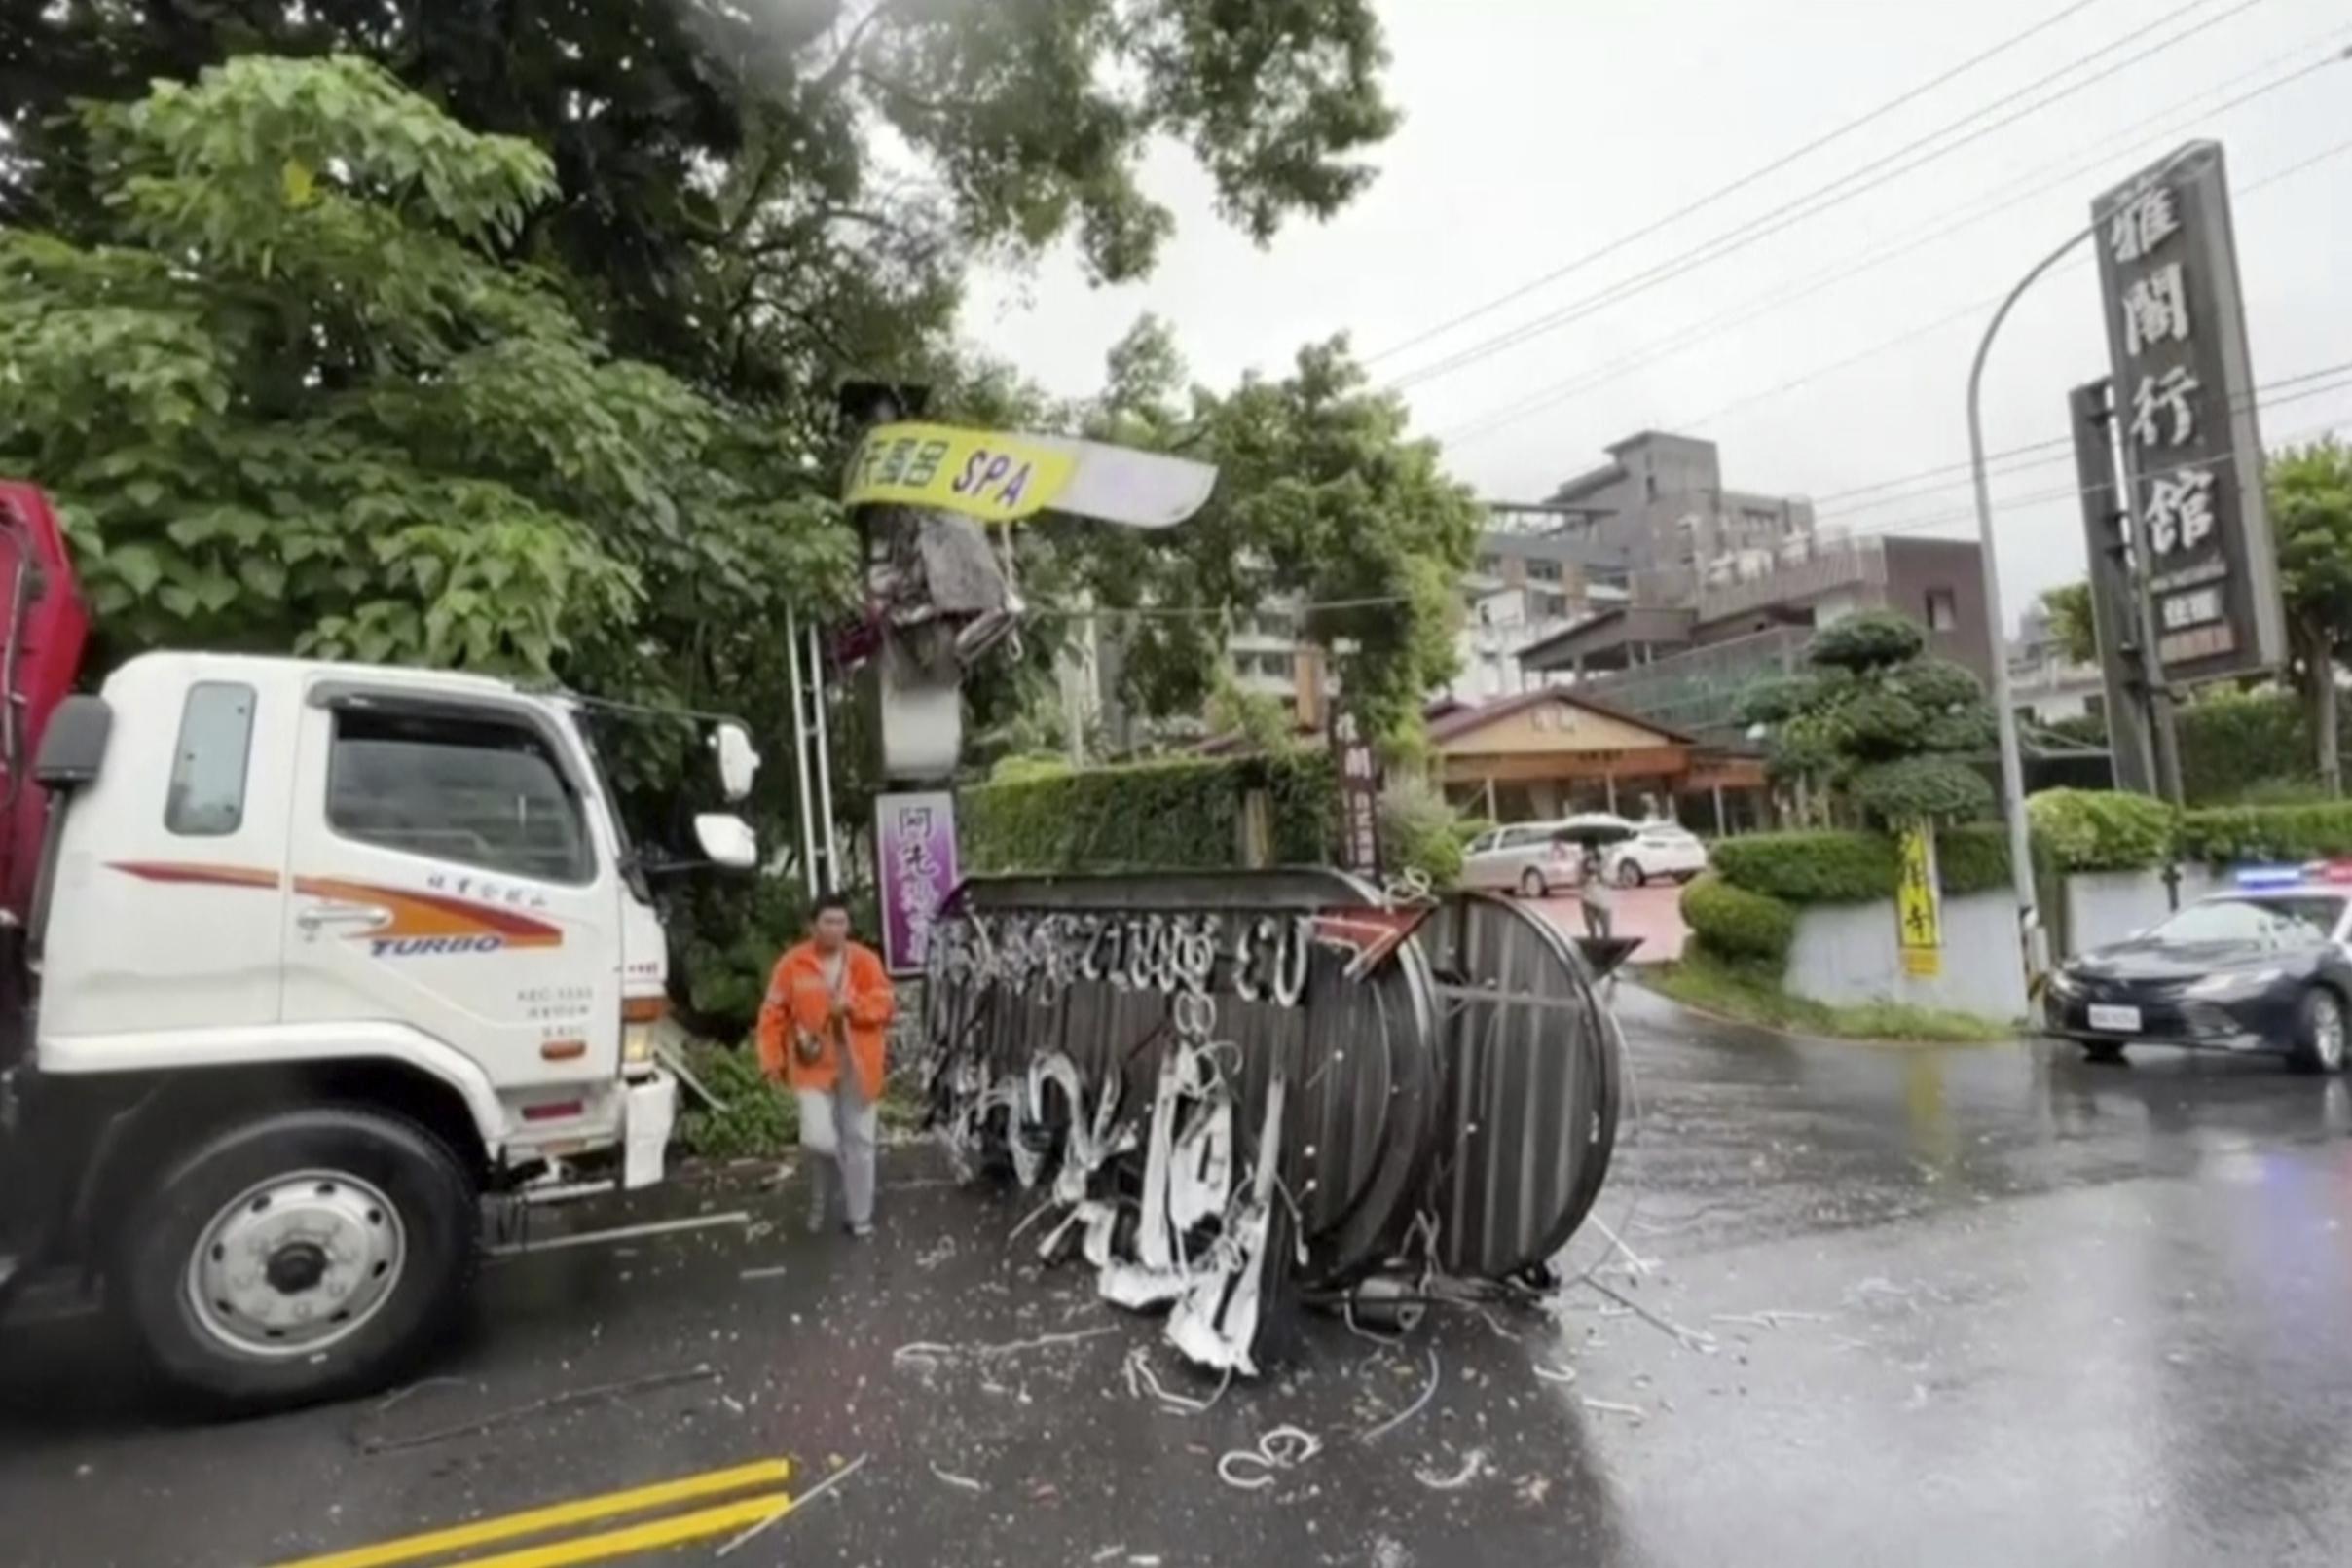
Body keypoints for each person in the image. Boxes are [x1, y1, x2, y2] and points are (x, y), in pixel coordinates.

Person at [757, 894, 897, 1239]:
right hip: (812, 1062)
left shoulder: (864, 961)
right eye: (827, 922)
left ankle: (859, 1217)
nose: (835, 929)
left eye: (841, 922)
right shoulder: (793, 964)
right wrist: (771, 1059)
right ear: (812, 926)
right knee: (818, 1137)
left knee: (861, 1139)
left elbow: (885, 1004)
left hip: (858, 1060)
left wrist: (851, 1007)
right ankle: (825, 1187)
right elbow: (772, 1015)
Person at [1578, 841, 1615, 940]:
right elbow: (1578, 882)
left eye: (1589, 849)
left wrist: (1599, 872)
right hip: (1587, 900)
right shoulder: (1581, 864)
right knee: (1592, 931)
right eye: (1585, 850)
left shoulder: (1604, 862)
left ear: (1595, 849)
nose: (1587, 852)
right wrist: (1586, 873)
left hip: (1603, 901)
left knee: (1606, 932)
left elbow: (1610, 881)